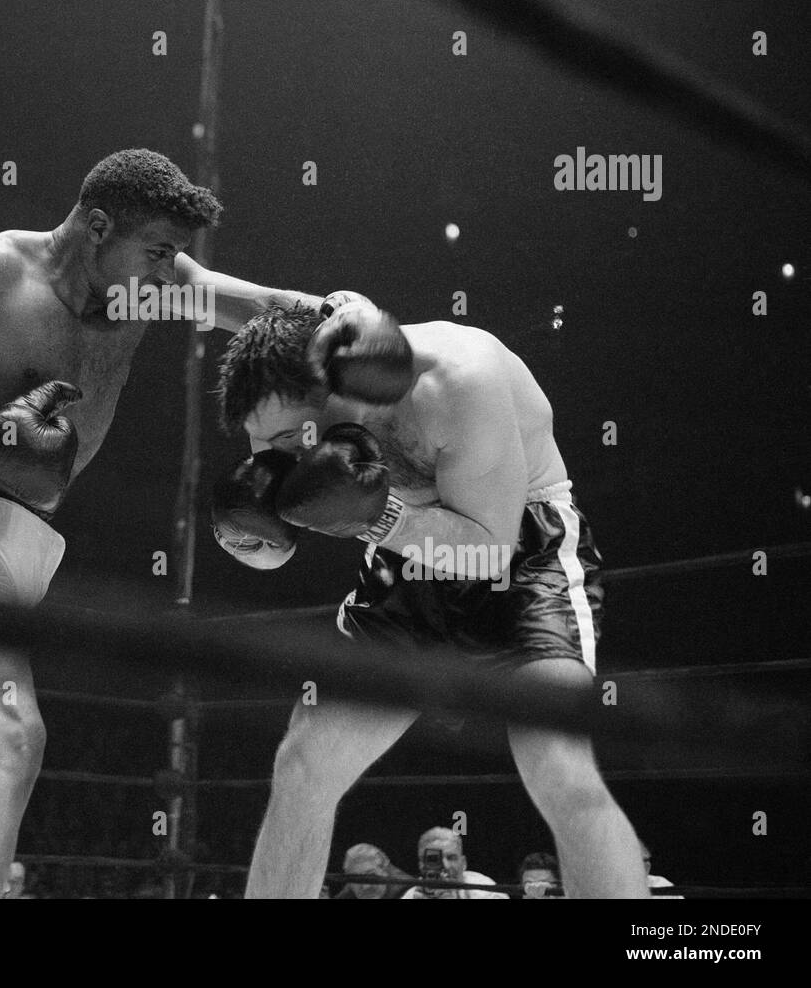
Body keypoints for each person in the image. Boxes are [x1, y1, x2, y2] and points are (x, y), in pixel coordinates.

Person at [0, 149, 341, 899]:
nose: (171, 272)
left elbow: (271, 307)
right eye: (158, 251)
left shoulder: (151, 288)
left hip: (16, 544)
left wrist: (358, 326)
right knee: (10, 738)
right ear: (97, 225)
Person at [212, 301, 650, 898]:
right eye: (266, 450)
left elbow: (488, 552)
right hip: (405, 568)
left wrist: (376, 515)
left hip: (518, 555)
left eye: (292, 440)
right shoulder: (308, 337)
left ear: (336, 386)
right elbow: (202, 283)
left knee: (561, 774)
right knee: (303, 767)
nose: (286, 464)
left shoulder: (459, 381)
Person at [399, 827, 507, 899]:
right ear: (421, 865)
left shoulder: (487, 892)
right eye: (434, 859)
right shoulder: (412, 895)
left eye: (451, 858)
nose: (445, 866)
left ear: (463, 863)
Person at [331, 841, 410, 899]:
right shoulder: (351, 885)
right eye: (357, 880)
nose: (366, 886)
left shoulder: (409, 891)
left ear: (384, 870)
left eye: (371, 876)